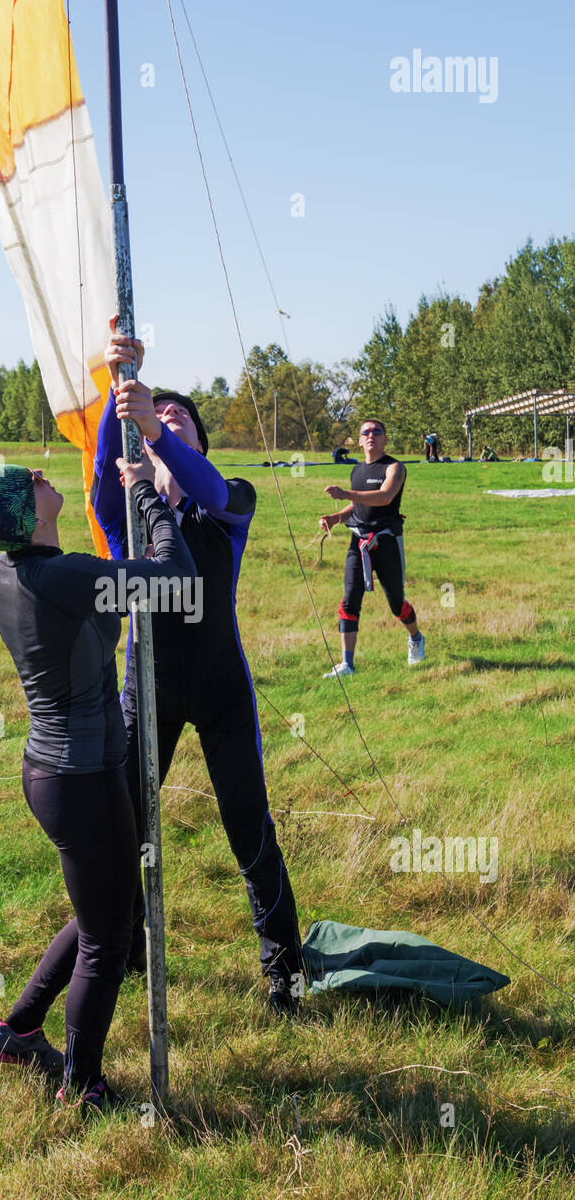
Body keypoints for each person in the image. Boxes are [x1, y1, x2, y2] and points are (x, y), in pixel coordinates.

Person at [0, 429, 195, 1111]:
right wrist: (149, 497)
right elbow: (176, 582)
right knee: (107, 938)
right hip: (78, 779)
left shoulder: (12, 571)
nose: (45, 476)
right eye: (32, 479)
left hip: (70, 771)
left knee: (108, 909)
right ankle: (82, 1086)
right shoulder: (61, 576)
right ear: (27, 513)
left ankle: (17, 1028)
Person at [91, 319, 305, 1017]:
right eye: (159, 408)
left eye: (181, 414)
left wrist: (155, 430)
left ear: (196, 445)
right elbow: (101, 481)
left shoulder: (229, 503)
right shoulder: (127, 519)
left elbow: (208, 491)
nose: (169, 412)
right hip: (146, 688)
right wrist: (117, 388)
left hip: (221, 691)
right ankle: (125, 948)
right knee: (125, 826)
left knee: (249, 829)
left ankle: (284, 972)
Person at [320, 417, 425, 677]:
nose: (371, 435)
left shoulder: (395, 467)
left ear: (385, 439)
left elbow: (385, 496)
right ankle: (347, 665)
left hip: (386, 541)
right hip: (358, 542)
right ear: (359, 440)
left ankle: (415, 638)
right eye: (366, 432)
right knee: (349, 600)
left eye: (377, 432)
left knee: (397, 604)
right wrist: (335, 518)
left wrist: (346, 493)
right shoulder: (357, 471)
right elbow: (356, 506)